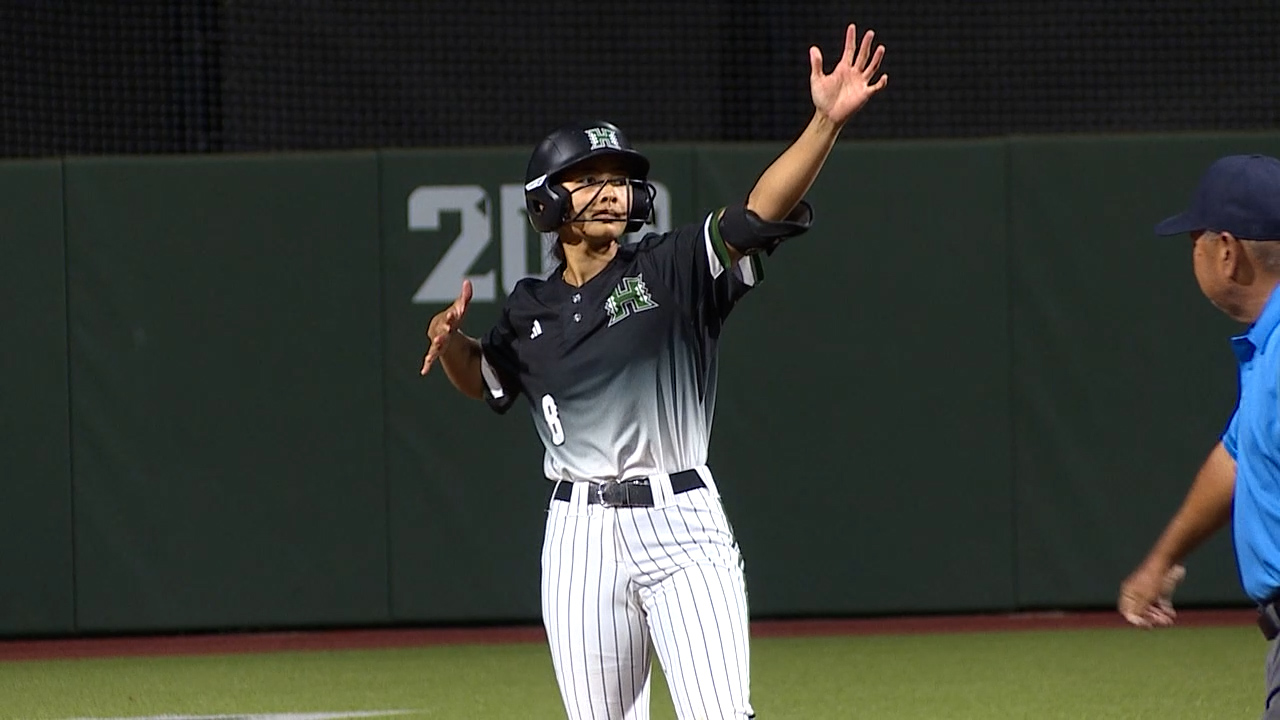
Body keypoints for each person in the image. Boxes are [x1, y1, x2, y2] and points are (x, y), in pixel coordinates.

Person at [419, 23, 888, 720]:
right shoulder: (529, 308)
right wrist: (450, 341)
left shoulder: (670, 269)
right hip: (578, 536)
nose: (612, 190)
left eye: (619, 179)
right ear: (547, 200)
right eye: (590, 179)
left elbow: (760, 211)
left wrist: (823, 124)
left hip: (682, 524)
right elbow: (488, 379)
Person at [1118, 153, 1280, 718]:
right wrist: (1162, 560)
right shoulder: (1270, 346)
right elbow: (1237, 458)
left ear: (1228, 251)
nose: (1195, 253)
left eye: (1197, 239)